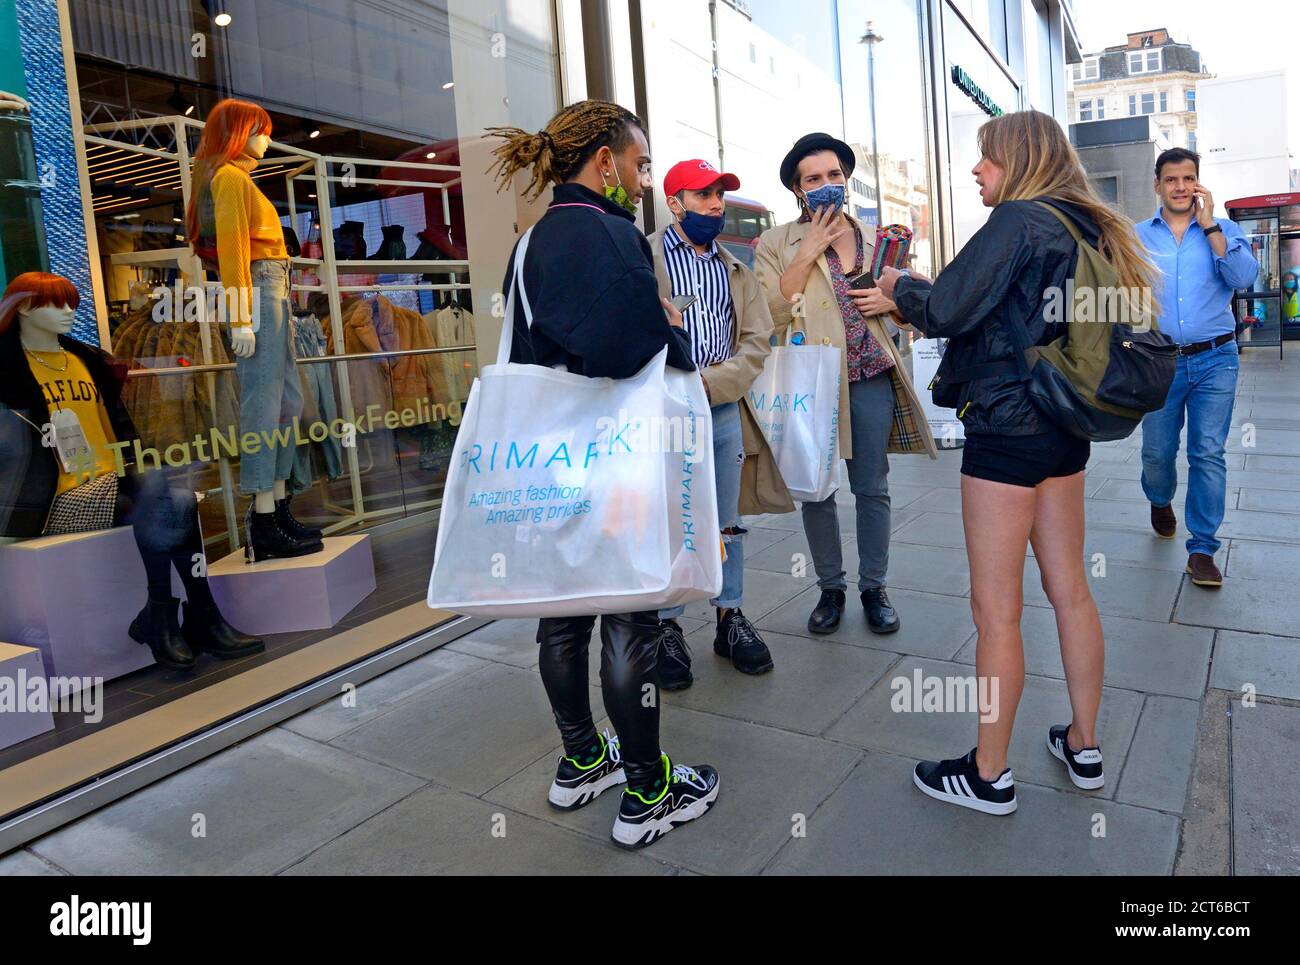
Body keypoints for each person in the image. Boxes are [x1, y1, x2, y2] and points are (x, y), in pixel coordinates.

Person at [876, 110, 1159, 814]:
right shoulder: (1089, 224)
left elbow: (947, 306)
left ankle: (989, 772)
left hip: (1006, 429)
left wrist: (898, 290)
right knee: (1071, 590)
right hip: (1066, 427)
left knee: (996, 608)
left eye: (987, 159)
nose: (976, 170)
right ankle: (1084, 745)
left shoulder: (1020, 220)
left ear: (1021, 161)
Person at [487, 99, 719, 849]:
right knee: (630, 614)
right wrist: (672, 333)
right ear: (605, 161)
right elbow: (626, 348)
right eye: (641, 162)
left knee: (565, 610)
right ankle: (648, 790)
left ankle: (583, 758)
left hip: (551, 461)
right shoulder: (607, 232)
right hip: (613, 454)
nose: (644, 179)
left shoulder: (530, 244)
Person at [0, 272, 264, 672]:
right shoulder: (6, 370)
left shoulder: (85, 359)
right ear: (21, 307)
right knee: (160, 490)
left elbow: (119, 429)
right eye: (56, 303)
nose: (69, 311)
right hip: (56, 498)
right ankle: (181, 616)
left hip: (110, 483)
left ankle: (182, 614)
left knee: (172, 499)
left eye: (72, 302)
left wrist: (134, 467)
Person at [754, 133, 936, 637]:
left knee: (872, 488)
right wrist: (806, 252)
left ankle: (874, 587)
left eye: (834, 175)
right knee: (816, 489)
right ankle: (830, 589)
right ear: (798, 190)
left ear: (847, 179)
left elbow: (909, 307)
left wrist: (893, 306)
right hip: (812, 382)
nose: (827, 185)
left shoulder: (880, 239)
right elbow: (768, 311)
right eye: (813, 179)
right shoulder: (775, 242)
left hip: (869, 375)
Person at [647, 158, 794, 690]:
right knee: (672, 517)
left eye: (720, 193)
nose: (716, 203)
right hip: (663, 413)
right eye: (704, 193)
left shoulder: (736, 266)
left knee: (727, 520)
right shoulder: (646, 255)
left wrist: (713, 384)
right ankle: (666, 626)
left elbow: (757, 341)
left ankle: (730, 618)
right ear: (675, 201)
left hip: (722, 408)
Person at [1136, 148, 1258, 588]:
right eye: (1172, 179)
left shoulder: (1224, 230)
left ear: (1199, 183)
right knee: (1157, 453)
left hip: (1216, 359)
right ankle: (1159, 496)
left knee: (1207, 451)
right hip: (1159, 362)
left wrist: (1210, 228)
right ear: (1158, 185)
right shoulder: (1137, 236)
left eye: (1189, 178)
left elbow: (1243, 278)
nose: (1182, 187)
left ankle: (1202, 548)